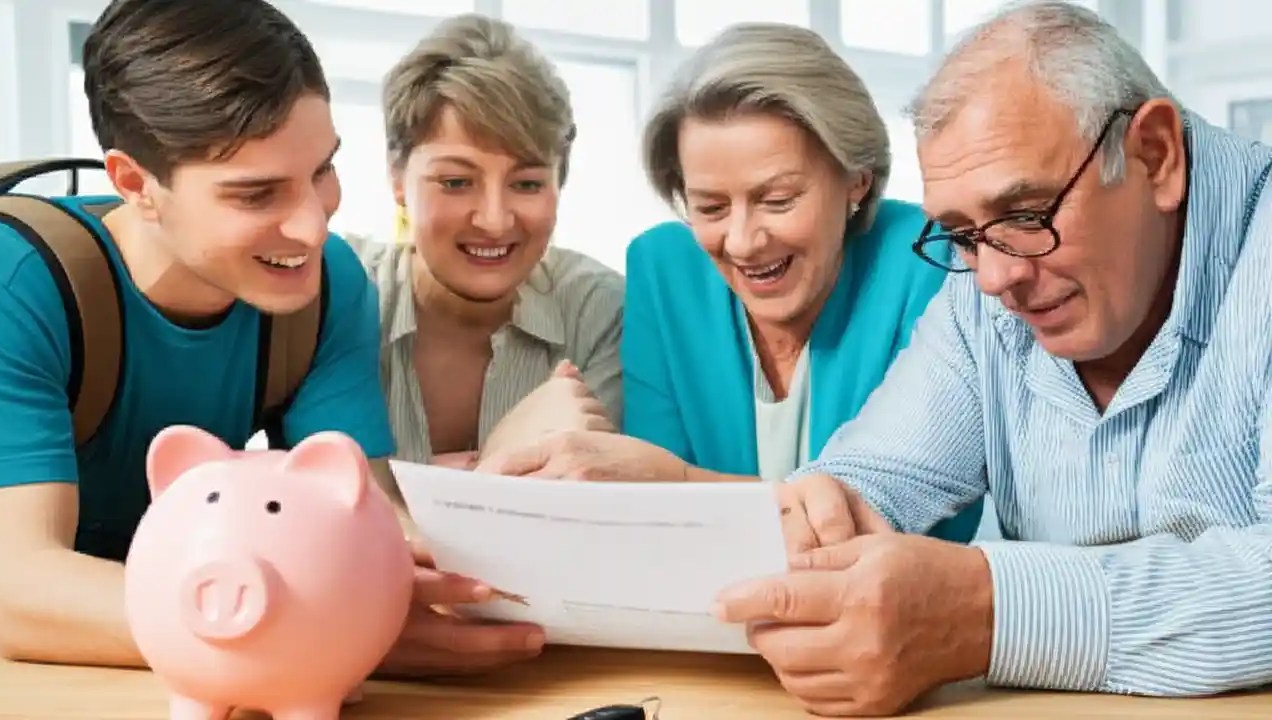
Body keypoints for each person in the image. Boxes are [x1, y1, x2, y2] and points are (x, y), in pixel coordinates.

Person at [709, 1, 1272, 716]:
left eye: (1029, 215)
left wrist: (987, 614)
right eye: (963, 236)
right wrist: (824, 523)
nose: (997, 281)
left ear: (1155, 155)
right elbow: (873, 477)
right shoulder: (989, 272)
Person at [0, 0, 542, 678]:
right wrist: (318, 627)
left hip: (183, 654)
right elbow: (15, 594)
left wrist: (431, 582)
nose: (312, 227)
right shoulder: (13, 284)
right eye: (257, 195)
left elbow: (356, 519)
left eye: (322, 171)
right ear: (136, 184)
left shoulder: (329, 285)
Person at [477, 22, 983, 549]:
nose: (742, 242)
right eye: (710, 207)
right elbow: (655, 524)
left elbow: (895, 526)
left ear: (857, 178)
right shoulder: (663, 268)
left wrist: (678, 485)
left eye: (778, 199)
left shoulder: (934, 257)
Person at [349, 13, 624, 471]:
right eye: (456, 182)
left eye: (528, 184)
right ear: (397, 178)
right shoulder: (339, 296)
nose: (495, 221)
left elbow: (580, 513)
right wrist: (502, 454)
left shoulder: (599, 311)